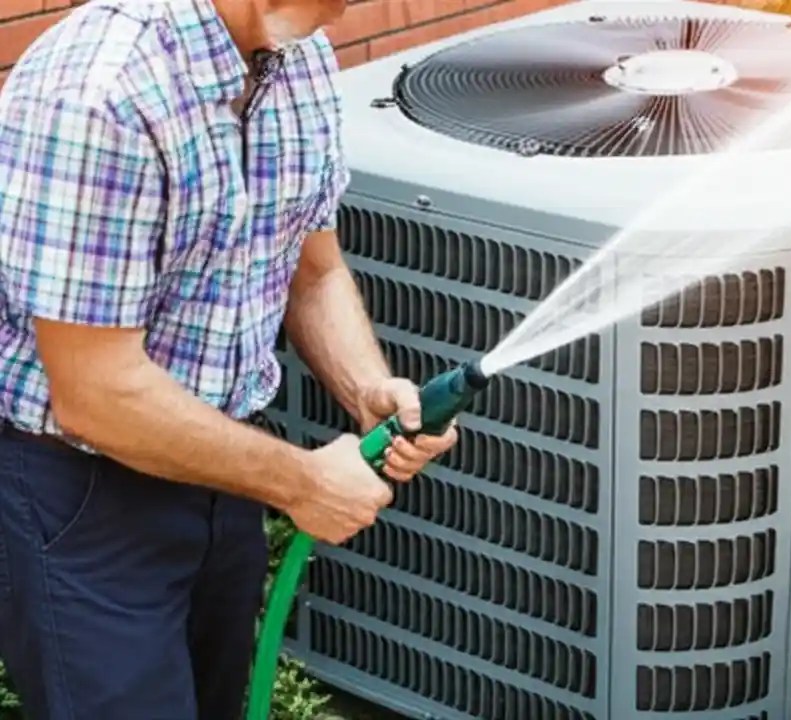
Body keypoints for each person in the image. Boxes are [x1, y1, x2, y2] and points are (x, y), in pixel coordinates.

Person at [0, 0, 459, 717]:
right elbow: (95, 392)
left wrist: (366, 385)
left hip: (225, 477)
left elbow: (314, 271)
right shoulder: (100, 92)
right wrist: (303, 481)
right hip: (85, 496)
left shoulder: (298, 59)